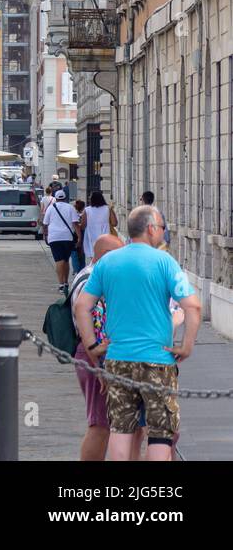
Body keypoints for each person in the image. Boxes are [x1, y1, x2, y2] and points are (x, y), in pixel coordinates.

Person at [73, 205, 201, 461]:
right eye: (162, 228)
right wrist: (186, 346)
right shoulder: (164, 261)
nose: (163, 234)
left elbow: (81, 306)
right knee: (160, 432)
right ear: (151, 229)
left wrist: (93, 345)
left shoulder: (107, 262)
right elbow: (193, 305)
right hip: (157, 360)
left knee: (121, 427)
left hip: (118, 359)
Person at [69, 234, 138, 461]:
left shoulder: (94, 276)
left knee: (112, 423)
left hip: (102, 356)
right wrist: (100, 368)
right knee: (100, 425)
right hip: (95, 357)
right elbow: (91, 330)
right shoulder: (91, 281)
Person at [44, 189, 81, 293]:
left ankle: (61, 284)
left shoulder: (51, 208)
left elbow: (45, 223)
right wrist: (79, 237)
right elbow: (75, 224)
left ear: (56, 198)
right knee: (65, 260)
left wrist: (45, 235)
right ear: (65, 198)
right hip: (67, 237)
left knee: (59, 260)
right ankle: (65, 282)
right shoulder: (70, 208)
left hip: (54, 237)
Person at [81, 191, 118, 265]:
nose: (88, 198)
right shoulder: (108, 209)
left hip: (91, 238)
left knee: (94, 260)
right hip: (106, 238)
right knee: (105, 260)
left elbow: (83, 225)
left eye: (90, 197)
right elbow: (114, 223)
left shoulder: (87, 210)